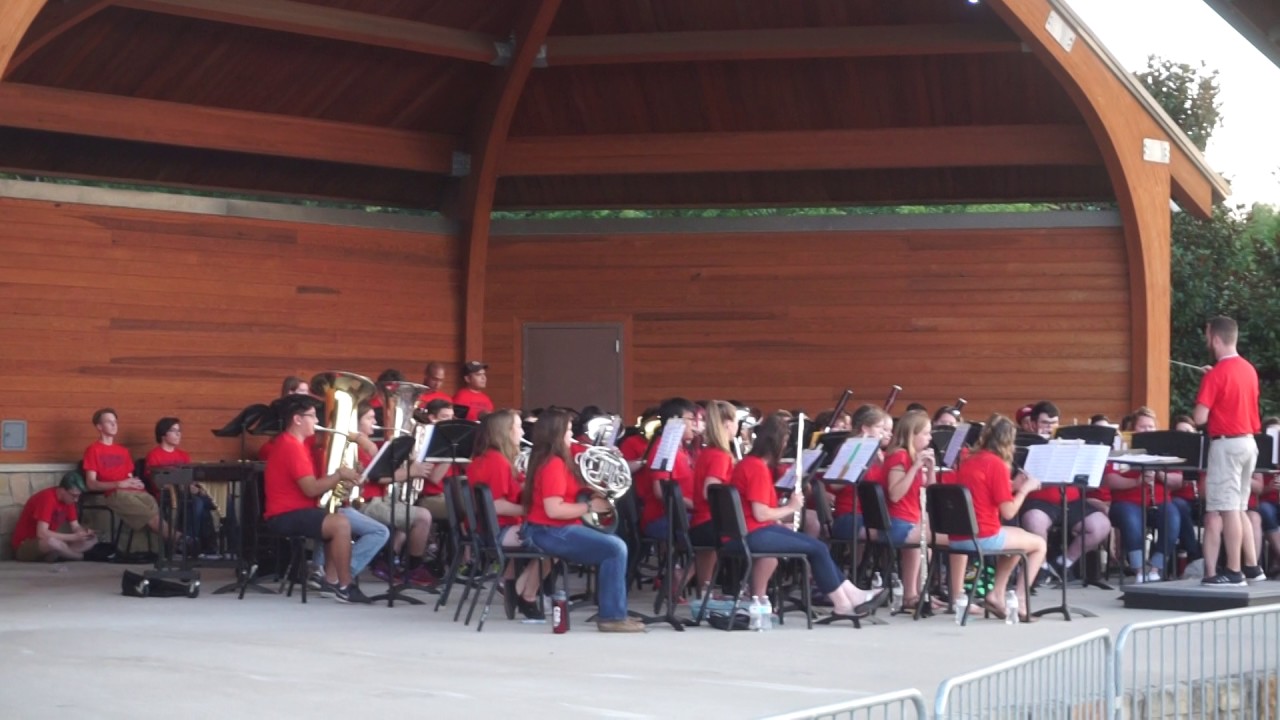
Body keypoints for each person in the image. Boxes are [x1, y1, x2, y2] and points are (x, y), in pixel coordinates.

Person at [731, 412, 887, 618]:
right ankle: (843, 602)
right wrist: (792, 507)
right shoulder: (757, 468)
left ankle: (851, 595)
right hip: (753, 532)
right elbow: (761, 514)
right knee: (817, 547)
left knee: (816, 546)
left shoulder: (749, 464)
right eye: (785, 440)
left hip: (751, 531)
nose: (785, 445)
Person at [521, 409, 645, 632]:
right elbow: (554, 510)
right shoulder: (554, 465)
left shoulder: (562, 459)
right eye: (568, 431)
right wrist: (589, 506)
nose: (573, 436)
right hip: (549, 530)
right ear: (556, 435)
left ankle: (613, 613)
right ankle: (612, 617)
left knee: (614, 545)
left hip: (553, 528)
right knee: (615, 548)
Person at [261, 395, 365, 603]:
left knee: (336, 518)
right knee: (340, 524)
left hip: (294, 511)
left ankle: (332, 582)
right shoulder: (291, 446)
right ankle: (345, 586)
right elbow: (310, 489)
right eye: (313, 416)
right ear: (297, 419)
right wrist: (339, 476)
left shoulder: (295, 443)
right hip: (284, 515)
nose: (317, 422)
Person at [949, 415, 1047, 622]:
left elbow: (983, 492)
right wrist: (1025, 490)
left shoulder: (968, 459)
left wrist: (1012, 486)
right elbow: (1009, 512)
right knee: (1039, 544)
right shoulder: (997, 464)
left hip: (959, 534)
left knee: (1019, 537)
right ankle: (1020, 600)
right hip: (982, 535)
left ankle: (996, 593)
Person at [1194, 316, 1266, 586]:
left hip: (1226, 444)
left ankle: (1234, 571)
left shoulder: (1216, 374)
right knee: (1239, 506)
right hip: (1248, 442)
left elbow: (1200, 417)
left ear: (1215, 338)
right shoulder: (1248, 369)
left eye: (1207, 335)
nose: (1206, 341)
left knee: (1228, 509)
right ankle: (1251, 567)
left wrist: (1209, 381)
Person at [468, 409, 546, 619]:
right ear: (506, 431)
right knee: (559, 540)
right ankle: (525, 592)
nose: (522, 433)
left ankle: (515, 585)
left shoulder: (488, 459)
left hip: (493, 529)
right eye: (519, 427)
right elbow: (496, 506)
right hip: (499, 531)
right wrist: (531, 510)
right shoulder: (497, 462)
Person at [350, 403, 435, 587]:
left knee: (409, 515)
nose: (375, 421)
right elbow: (377, 478)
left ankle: (388, 561)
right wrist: (411, 472)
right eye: (369, 418)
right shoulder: (355, 447)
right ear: (356, 423)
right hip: (367, 502)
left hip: (381, 498)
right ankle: (413, 568)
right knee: (423, 517)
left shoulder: (369, 446)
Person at [308, 402, 391, 590]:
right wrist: (366, 445)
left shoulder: (344, 446)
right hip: (327, 503)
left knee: (336, 514)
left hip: (340, 503)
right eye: (369, 418)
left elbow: (358, 483)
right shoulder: (326, 446)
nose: (375, 421)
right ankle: (339, 571)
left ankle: (326, 570)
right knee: (379, 531)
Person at [82, 408, 180, 547]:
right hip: (115, 492)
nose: (114, 425)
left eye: (115, 422)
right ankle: (179, 540)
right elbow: (91, 484)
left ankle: (164, 547)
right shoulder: (93, 450)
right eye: (109, 422)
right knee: (149, 515)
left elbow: (129, 476)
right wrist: (118, 484)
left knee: (153, 506)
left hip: (134, 491)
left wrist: (135, 483)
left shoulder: (123, 451)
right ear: (99, 427)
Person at [1103, 407, 1181, 582]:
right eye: (1142, 427)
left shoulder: (1163, 448)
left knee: (1173, 518)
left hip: (1159, 501)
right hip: (1126, 501)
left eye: (1150, 427)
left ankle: (1156, 568)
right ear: (1133, 429)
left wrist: (1160, 473)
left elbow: (1178, 481)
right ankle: (1139, 570)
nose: (1147, 431)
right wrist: (1137, 482)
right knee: (1132, 521)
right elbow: (1110, 480)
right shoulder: (1122, 446)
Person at [879, 410, 936, 608]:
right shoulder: (899, 456)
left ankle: (917, 594)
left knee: (927, 548)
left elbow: (930, 492)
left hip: (910, 519)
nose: (930, 438)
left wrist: (930, 469)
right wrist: (914, 467)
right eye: (926, 433)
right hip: (898, 523)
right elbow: (895, 494)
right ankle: (954, 596)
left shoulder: (912, 456)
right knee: (957, 536)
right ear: (912, 435)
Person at [144, 417, 217, 555]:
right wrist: (181, 485)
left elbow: (191, 478)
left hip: (187, 493)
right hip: (168, 496)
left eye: (179, 431)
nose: (179, 434)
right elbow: (156, 481)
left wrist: (196, 487)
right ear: (163, 434)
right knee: (197, 504)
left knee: (222, 502)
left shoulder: (183, 455)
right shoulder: (154, 455)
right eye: (174, 431)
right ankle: (188, 544)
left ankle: (223, 546)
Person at [689, 400, 737, 594]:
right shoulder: (720, 456)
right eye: (736, 422)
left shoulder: (708, 453)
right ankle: (744, 590)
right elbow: (710, 491)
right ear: (727, 424)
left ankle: (705, 590)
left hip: (700, 522)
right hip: (710, 522)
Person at [11, 473, 97, 562]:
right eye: (74, 495)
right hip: (25, 545)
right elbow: (41, 533)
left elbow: (75, 526)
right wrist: (74, 537)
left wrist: (83, 534)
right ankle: (78, 556)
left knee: (92, 540)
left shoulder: (69, 501)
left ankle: (61, 554)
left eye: (78, 496)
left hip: (49, 543)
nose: (76, 500)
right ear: (62, 490)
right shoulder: (47, 498)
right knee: (52, 542)